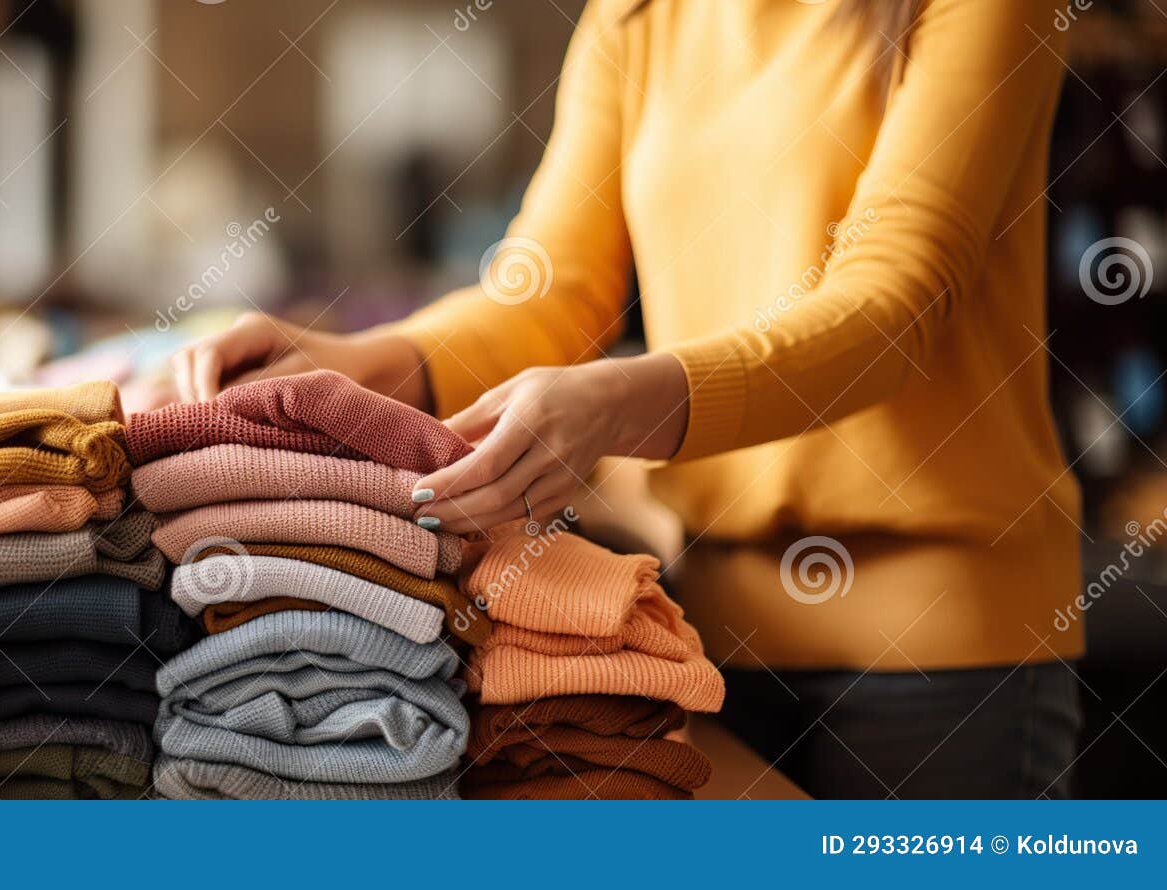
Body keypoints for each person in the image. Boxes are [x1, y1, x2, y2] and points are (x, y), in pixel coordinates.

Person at [154, 0, 1082, 799]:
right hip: (703, 640)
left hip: (945, 654)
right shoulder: (639, 15)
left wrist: (614, 404)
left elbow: (891, 307)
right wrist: (348, 364)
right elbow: (549, 295)